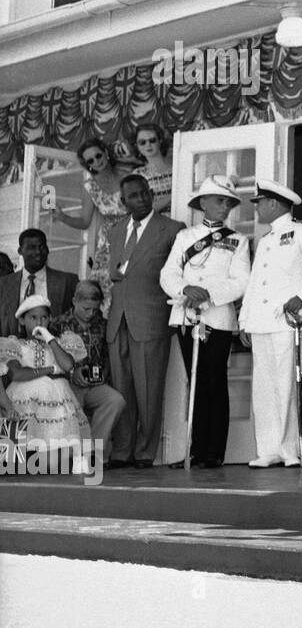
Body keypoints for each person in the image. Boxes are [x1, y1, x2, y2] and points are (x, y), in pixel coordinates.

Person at [239, 180, 302, 467]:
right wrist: (245, 320)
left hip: (288, 322)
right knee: (264, 388)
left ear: (273, 203)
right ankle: (268, 449)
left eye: (259, 202)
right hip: (262, 323)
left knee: (286, 386)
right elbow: (255, 284)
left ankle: (290, 449)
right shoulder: (265, 240)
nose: (255, 207)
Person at [160, 175, 251, 469]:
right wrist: (185, 290)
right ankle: (195, 450)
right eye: (219, 200)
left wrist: (208, 294)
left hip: (218, 318)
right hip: (187, 315)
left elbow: (241, 281)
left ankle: (213, 452)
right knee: (195, 380)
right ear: (203, 203)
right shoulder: (185, 237)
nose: (224, 207)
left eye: (228, 202)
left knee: (214, 380)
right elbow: (168, 274)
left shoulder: (238, 240)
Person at [103, 174, 183, 470]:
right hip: (117, 320)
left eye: (143, 193)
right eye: (133, 196)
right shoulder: (115, 231)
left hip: (150, 318)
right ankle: (122, 451)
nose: (140, 200)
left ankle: (145, 452)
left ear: (150, 194)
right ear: (123, 201)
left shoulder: (172, 229)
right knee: (121, 389)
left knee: (148, 388)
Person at [0, 295, 93, 475]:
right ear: (21, 320)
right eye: (33, 318)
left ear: (49, 318)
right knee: (19, 456)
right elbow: (17, 373)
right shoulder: (15, 344)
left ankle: (56, 461)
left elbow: (67, 365)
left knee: (53, 459)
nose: (39, 322)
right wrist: (50, 369)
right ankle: (22, 462)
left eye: (43, 317)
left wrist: (50, 338)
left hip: (57, 399)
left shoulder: (59, 342)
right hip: (25, 398)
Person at [50, 280, 126, 458]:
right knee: (72, 407)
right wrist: (71, 373)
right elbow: (50, 358)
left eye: (95, 309)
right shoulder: (57, 324)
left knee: (116, 400)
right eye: (86, 308)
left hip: (95, 385)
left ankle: (92, 452)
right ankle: (72, 454)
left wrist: (104, 375)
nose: (91, 313)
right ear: (74, 300)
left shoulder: (103, 324)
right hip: (67, 385)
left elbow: (108, 356)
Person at [51, 138, 129, 304]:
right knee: (105, 291)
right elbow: (85, 221)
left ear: (106, 153)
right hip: (108, 244)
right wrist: (62, 216)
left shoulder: (126, 176)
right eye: (90, 160)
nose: (96, 161)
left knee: (132, 283)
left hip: (133, 234)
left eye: (98, 156)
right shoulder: (90, 186)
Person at [0, 229, 77, 337]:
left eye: (42, 247)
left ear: (48, 250)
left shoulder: (68, 281)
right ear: (20, 251)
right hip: (11, 350)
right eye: (32, 247)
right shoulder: (3, 284)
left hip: (53, 349)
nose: (38, 252)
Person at [128, 123, 173, 215]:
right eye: (142, 142)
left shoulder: (178, 164)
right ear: (136, 145)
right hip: (158, 225)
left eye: (152, 140)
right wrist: (173, 195)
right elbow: (144, 209)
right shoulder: (137, 175)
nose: (148, 145)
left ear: (160, 141)